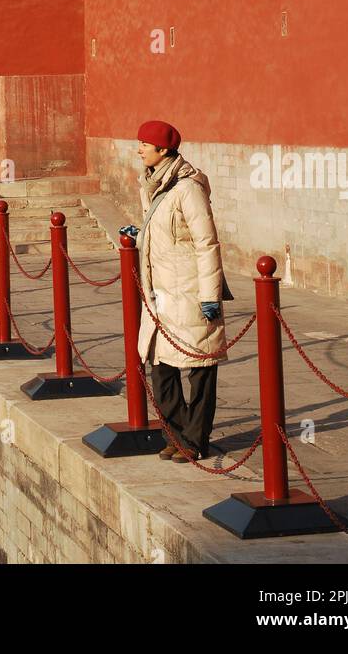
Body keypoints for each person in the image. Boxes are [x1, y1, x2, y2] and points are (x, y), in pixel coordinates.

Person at [132, 120, 228, 462]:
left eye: (145, 144)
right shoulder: (154, 185)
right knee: (161, 366)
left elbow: (206, 243)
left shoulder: (187, 188)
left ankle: (195, 440)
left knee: (199, 367)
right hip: (161, 292)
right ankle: (174, 433)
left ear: (163, 150)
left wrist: (209, 295)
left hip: (189, 290)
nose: (139, 149)